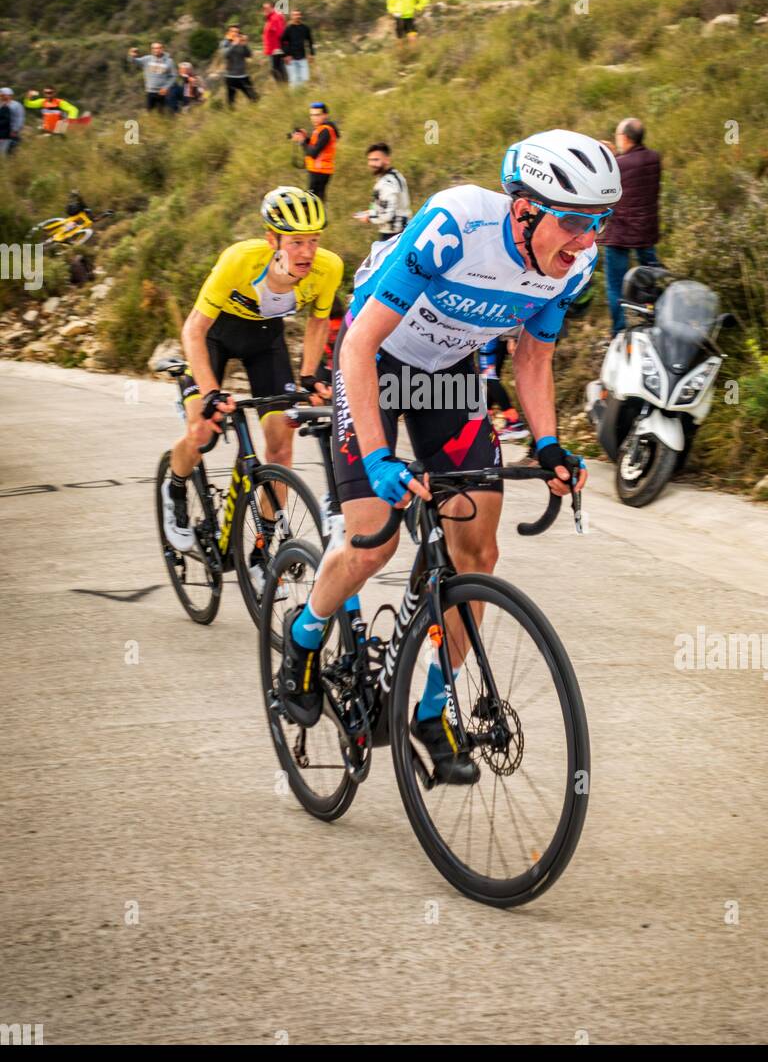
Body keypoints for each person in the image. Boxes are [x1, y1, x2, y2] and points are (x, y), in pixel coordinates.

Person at [277, 129, 621, 783]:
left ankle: (432, 710)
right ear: (524, 208)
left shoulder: (571, 266)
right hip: (375, 359)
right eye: (575, 221)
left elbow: (533, 354)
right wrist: (380, 457)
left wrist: (547, 443)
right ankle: (304, 635)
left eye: (599, 222)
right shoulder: (456, 227)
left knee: (477, 551)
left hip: (450, 374)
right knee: (372, 543)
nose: (588, 240)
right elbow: (355, 349)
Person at [161, 187, 343, 575]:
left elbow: (317, 322)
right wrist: (210, 393)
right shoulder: (239, 260)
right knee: (203, 432)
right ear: (272, 239)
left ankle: (264, 552)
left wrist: (309, 376)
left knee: (280, 446)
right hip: (215, 337)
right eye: (296, 242)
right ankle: (175, 487)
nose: (307, 252)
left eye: (313, 241)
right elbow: (194, 329)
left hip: (266, 342)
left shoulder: (328, 268)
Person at [602, 117, 662, 335]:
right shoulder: (654, 159)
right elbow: (633, 171)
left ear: (625, 138)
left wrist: (609, 156)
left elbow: (615, 174)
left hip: (619, 234)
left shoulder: (618, 164)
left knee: (615, 286)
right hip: (645, 232)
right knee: (652, 280)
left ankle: (619, 331)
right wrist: (617, 156)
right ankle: (656, 318)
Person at [354, 143, 411, 241]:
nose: (372, 164)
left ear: (387, 160)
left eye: (376, 160)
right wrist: (371, 211)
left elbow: (387, 214)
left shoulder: (386, 184)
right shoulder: (396, 175)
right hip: (404, 230)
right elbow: (393, 206)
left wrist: (369, 217)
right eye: (370, 160)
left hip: (393, 235)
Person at [479, 329, 529, 441]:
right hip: (496, 334)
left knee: (488, 378)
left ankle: (513, 421)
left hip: (492, 334)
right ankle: (485, 423)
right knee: (492, 377)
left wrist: (511, 338)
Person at [291, 102, 339, 202]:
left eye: (317, 115)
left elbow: (313, 153)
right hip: (318, 171)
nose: (314, 118)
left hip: (320, 172)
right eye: (312, 115)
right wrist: (305, 138)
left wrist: (302, 141)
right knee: (316, 202)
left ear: (325, 115)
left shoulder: (326, 131)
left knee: (314, 203)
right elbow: (314, 146)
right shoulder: (321, 129)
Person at [128, 43, 178, 111]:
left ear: (162, 49)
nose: (156, 50)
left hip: (162, 92)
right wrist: (131, 56)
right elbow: (133, 61)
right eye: (154, 48)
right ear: (151, 50)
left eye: (158, 48)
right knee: (150, 113)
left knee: (162, 113)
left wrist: (166, 87)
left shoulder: (169, 61)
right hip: (150, 91)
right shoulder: (147, 59)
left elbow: (173, 76)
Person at [220, 26, 257, 107]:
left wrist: (245, 44)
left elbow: (249, 55)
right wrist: (233, 44)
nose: (235, 33)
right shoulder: (225, 43)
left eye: (237, 32)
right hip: (230, 77)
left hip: (243, 76)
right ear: (228, 33)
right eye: (233, 31)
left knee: (254, 98)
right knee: (231, 103)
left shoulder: (241, 43)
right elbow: (225, 55)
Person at [280, 9, 315, 87]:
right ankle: (293, 98)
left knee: (304, 79)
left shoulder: (305, 28)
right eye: (295, 15)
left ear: (301, 16)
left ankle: (302, 97)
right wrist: (286, 55)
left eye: (298, 15)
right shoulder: (288, 29)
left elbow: (310, 41)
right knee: (294, 80)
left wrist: (311, 54)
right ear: (291, 17)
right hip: (291, 59)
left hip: (302, 57)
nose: (297, 16)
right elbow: (282, 42)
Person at [261, 1, 287, 84]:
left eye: (267, 8)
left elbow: (281, 33)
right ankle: (283, 88)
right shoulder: (270, 18)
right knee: (277, 69)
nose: (265, 10)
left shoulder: (275, 18)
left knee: (276, 70)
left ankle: (283, 87)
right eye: (264, 8)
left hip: (276, 49)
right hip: (272, 49)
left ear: (272, 8)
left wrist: (283, 48)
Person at [0, 88, 25, 154]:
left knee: (11, 150)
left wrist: (15, 130)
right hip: (2, 131)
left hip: (12, 131)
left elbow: (20, 118)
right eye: (1, 95)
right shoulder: (1, 105)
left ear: (10, 95)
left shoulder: (17, 105)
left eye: (3, 95)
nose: (1, 96)